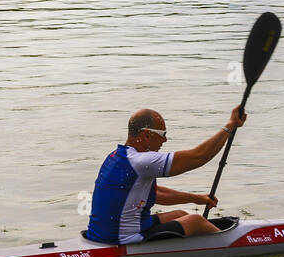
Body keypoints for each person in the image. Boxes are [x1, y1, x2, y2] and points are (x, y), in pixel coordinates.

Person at [86, 105, 248, 245]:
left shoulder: (118, 155)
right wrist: (230, 126)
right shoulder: (141, 161)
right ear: (147, 135)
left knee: (181, 215)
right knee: (195, 221)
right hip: (121, 238)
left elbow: (155, 193)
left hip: (104, 234)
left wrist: (196, 198)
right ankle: (237, 247)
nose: (165, 140)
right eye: (162, 134)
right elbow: (199, 157)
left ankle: (203, 246)